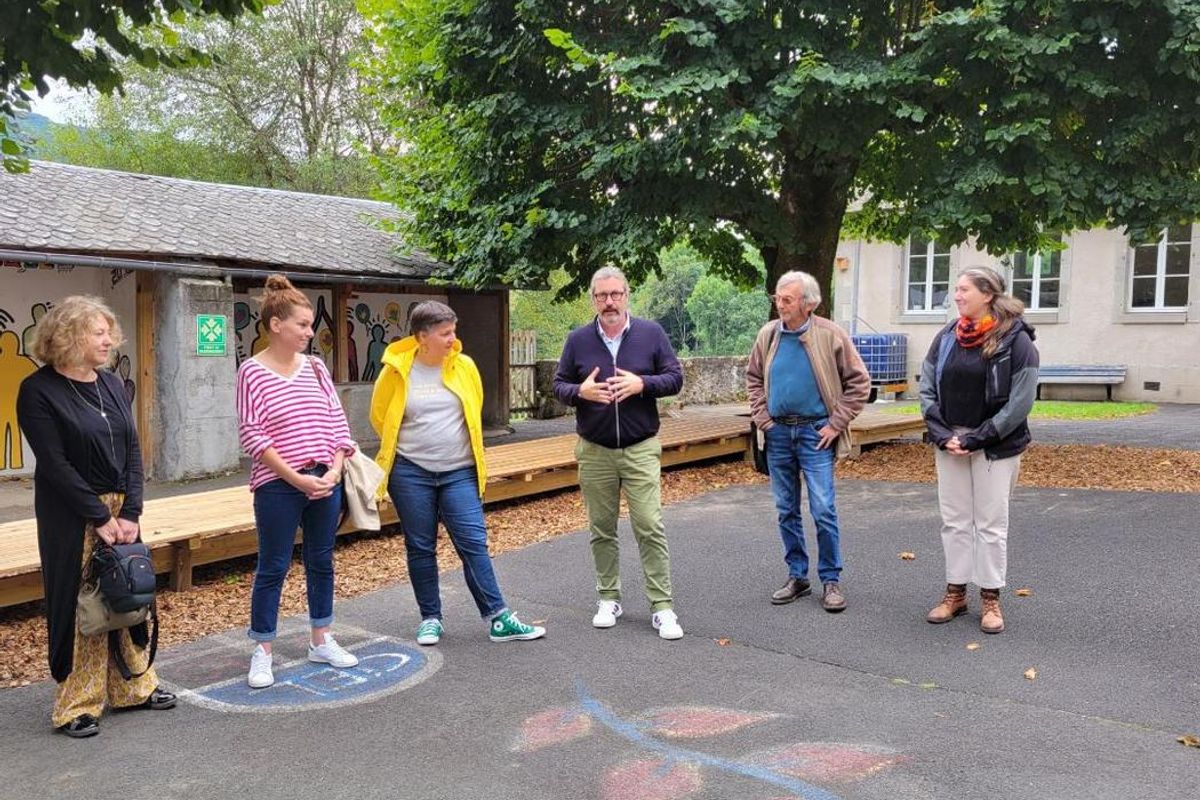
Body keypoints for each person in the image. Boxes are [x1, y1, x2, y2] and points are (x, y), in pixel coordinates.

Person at [16, 295, 175, 738]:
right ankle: (78, 704)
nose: (109, 341)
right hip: (71, 513)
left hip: (120, 509)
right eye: (98, 332)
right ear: (68, 336)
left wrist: (131, 511)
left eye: (109, 332)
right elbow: (54, 463)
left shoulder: (110, 384)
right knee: (82, 603)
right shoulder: (38, 390)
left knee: (129, 592)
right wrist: (98, 516)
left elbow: (131, 450)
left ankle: (134, 687)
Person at [370, 301, 545, 646]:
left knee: (473, 542)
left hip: (459, 471)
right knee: (420, 546)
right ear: (422, 336)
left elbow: (474, 409)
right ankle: (430, 618)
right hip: (410, 472)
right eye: (445, 333)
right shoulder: (394, 371)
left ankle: (498, 617)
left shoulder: (464, 366)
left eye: (453, 331)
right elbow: (380, 417)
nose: (453, 339)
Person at [236, 275, 360, 688]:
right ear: (276, 325)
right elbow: (253, 435)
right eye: (302, 325)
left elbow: (338, 422)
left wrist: (336, 470)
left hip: (325, 477)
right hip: (277, 484)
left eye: (310, 325)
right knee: (272, 565)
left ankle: (321, 638)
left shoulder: (318, 368)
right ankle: (263, 650)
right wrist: (296, 479)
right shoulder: (251, 372)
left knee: (321, 560)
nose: (310, 332)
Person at [553, 267, 686, 640]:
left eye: (615, 294)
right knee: (601, 529)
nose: (609, 302)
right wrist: (581, 392)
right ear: (593, 299)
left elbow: (675, 378)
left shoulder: (651, 334)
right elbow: (558, 385)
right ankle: (608, 598)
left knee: (649, 525)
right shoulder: (578, 340)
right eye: (601, 296)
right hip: (595, 449)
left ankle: (662, 607)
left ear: (627, 294)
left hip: (640, 446)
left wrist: (642, 384)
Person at [919, 266, 1038, 634]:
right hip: (950, 442)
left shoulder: (1016, 341)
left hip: (995, 447)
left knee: (989, 524)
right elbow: (926, 388)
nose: (956, 296)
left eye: (964, 289)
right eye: (955, 289)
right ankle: (955, 593)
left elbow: (1020, 402)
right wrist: (942, 433)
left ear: (987, 295)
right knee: (954, 521)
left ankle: (990, 599)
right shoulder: (946, 337)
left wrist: (977, 437)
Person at [746, 270, 871, 613]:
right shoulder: (768, 335)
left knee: (823, 509)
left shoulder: (830, 334)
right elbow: (753, 378)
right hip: (778, 434)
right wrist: (763, 420)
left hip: (816, 434)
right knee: (786, 510)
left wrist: (836, 424)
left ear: (809, 303)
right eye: (777, 298)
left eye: (787, 299)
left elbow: (860, 383)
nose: (780, 305)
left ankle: (831, 580)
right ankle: (797, 577)